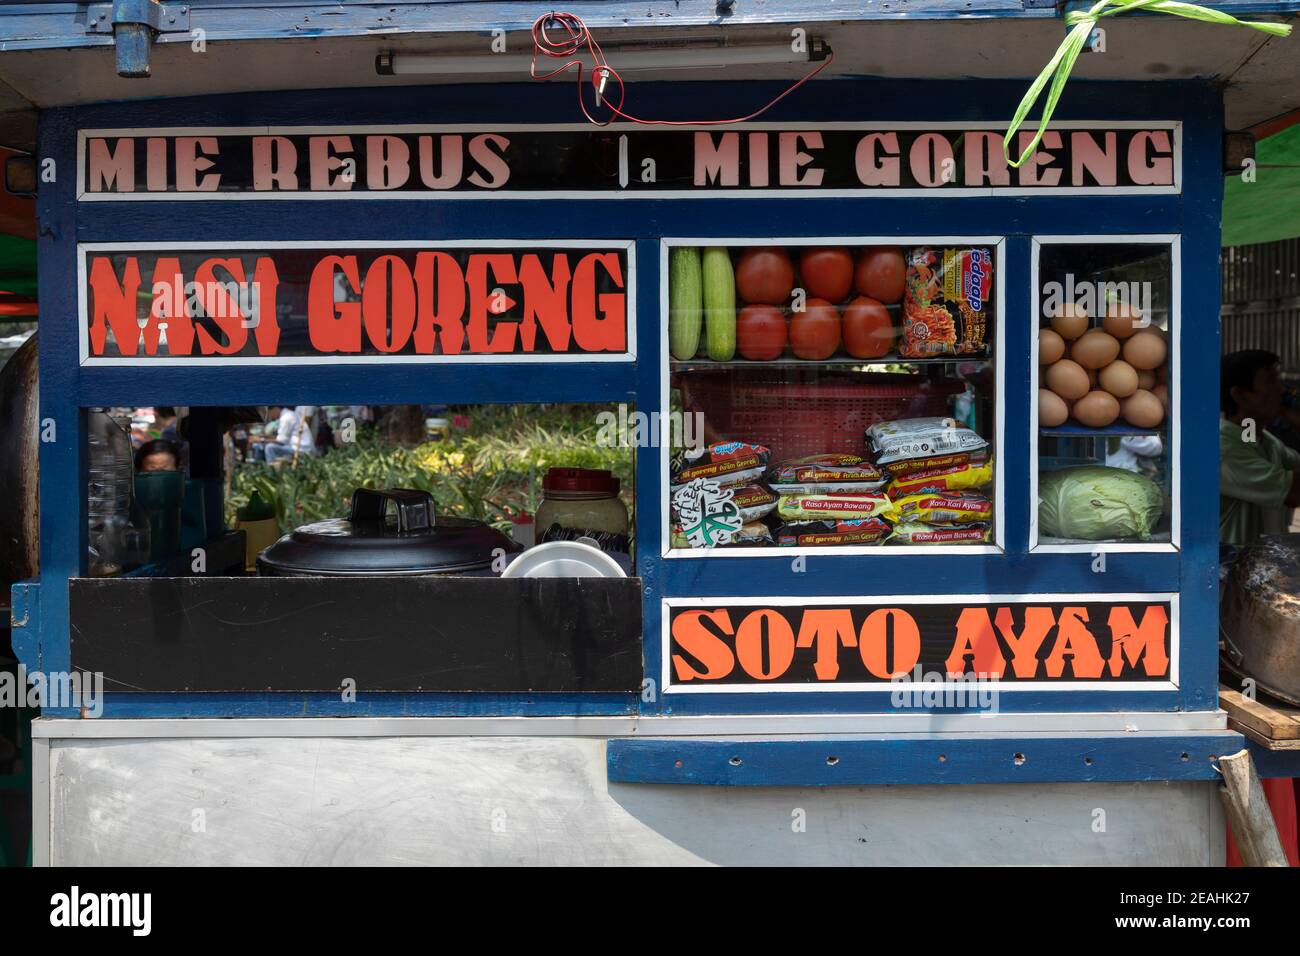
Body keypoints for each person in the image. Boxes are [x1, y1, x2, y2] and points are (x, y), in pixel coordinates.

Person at [1220, 350, 1300, 548]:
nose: (1282, 390)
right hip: (1227, 569)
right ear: (1240, 395)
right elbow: (1294, 493)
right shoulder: (1225, 448)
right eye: (1271, 381)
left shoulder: (1257, 436)